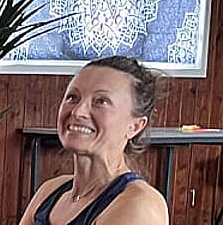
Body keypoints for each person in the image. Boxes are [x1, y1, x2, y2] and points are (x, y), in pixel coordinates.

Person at [18, 56, 168, 225]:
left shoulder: (138, 205)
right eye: (73, 97)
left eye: (101, 101)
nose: (77, 111)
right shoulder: (48, 192)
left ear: (135, 126)